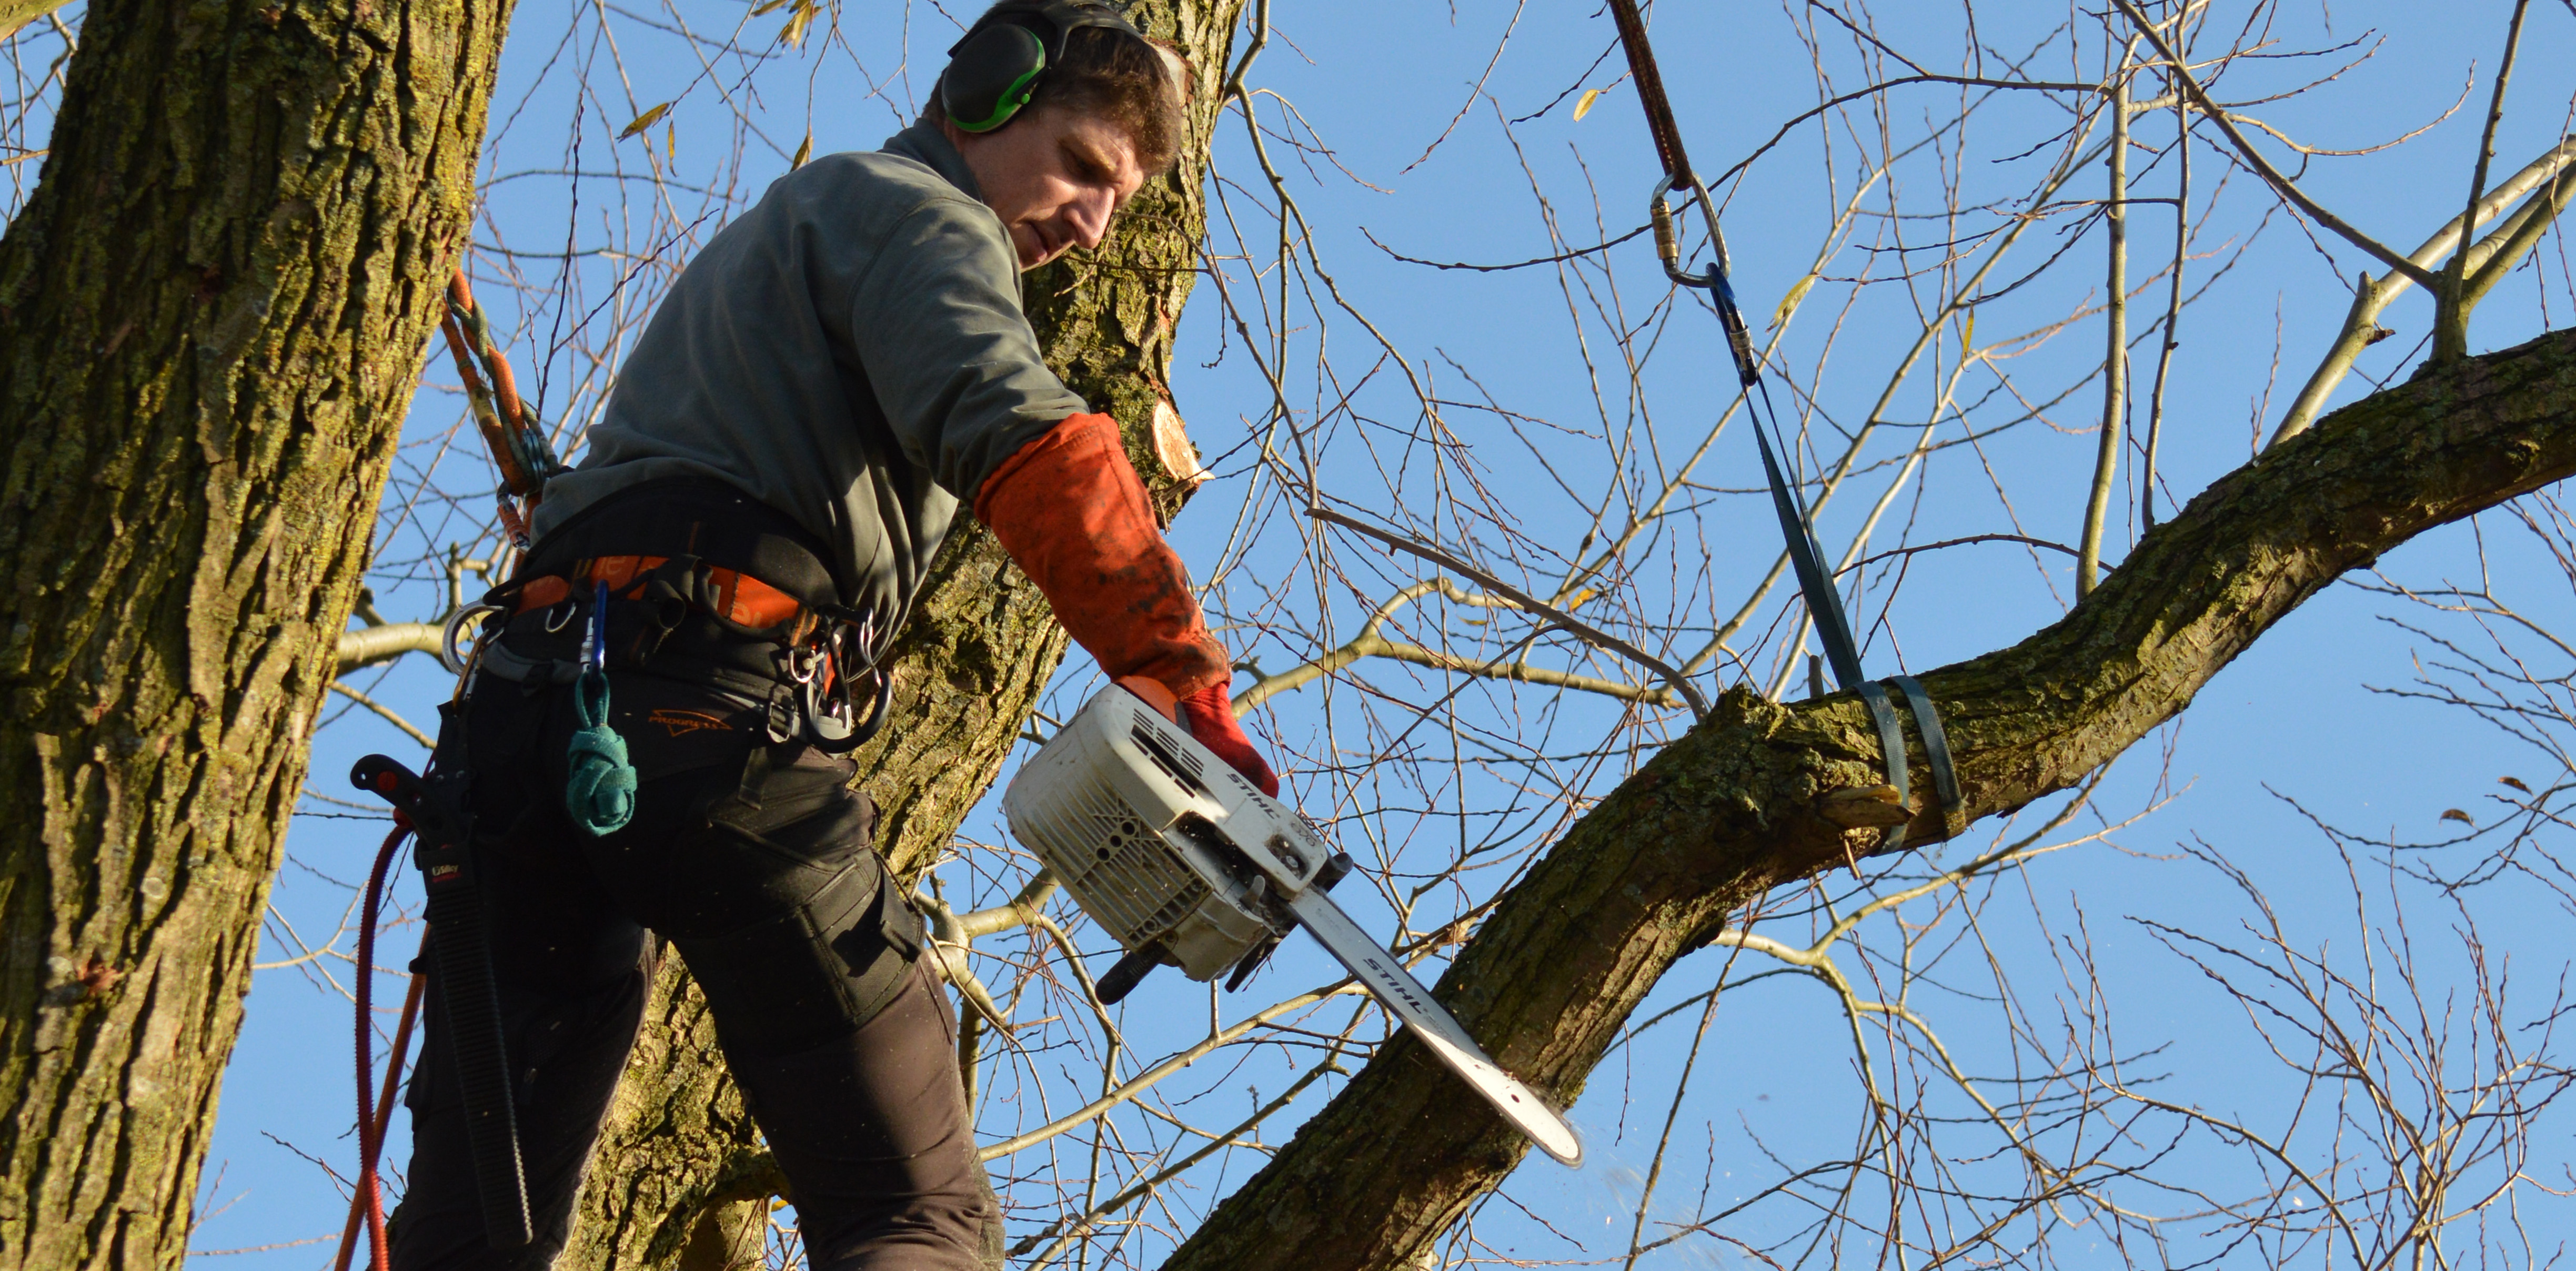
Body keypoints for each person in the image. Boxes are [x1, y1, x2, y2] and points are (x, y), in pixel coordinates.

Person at [386, 3, 1275, 1266]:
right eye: (1082, 166)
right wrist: (1179, 673)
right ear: (985, 99)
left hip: (518, 742)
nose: (1090, 222)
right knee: (918, 1212)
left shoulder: (793, 235)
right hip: (707, 718)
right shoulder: (922, 217)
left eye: (1118, 201)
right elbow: (1025, 435)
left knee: (477, 1231)